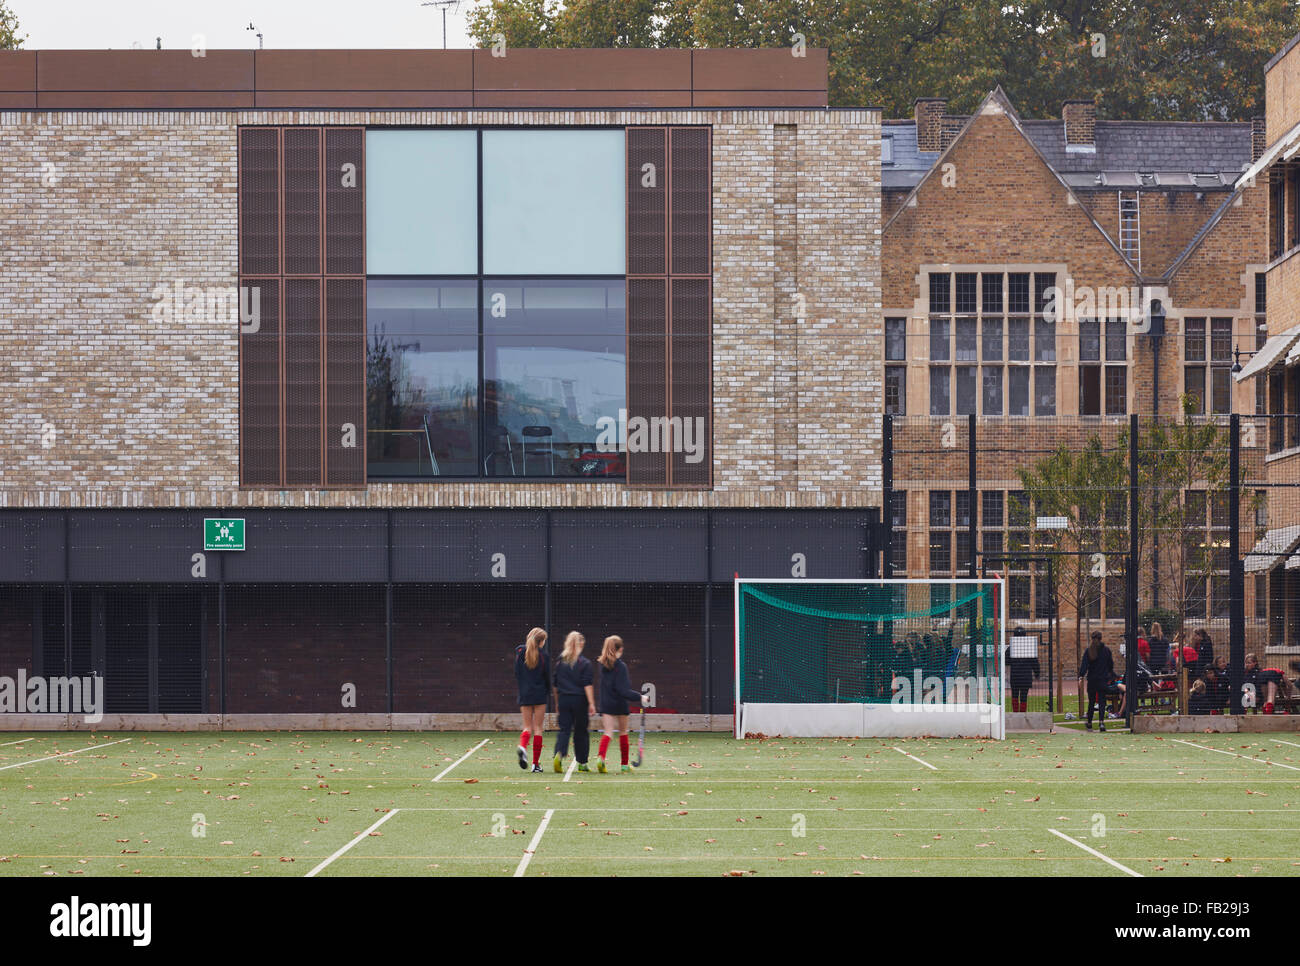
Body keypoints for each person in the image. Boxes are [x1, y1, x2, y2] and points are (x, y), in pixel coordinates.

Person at [596, 635, 647, 774]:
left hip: (606, 704)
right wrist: (640, 697)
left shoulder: (602, 665)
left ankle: (601, 757)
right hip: (620, 704)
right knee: (623, 732)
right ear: (619, 649)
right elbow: (623, 691)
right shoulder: (622, 666)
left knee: (608, 732)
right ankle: (624, 765)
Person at [552, 631, 596, 773]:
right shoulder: (585, 663)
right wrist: (591, 703)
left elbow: (555, 685)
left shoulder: (560, 661)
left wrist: (558, 702)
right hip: (580, 700)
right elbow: (587, 684)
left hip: (564, 698)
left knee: (564, 729)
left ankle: (559, 753)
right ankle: (582, 763)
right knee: (581, 732)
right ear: (581, 644)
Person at [514, 627, 551, 773]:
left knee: (527, 727)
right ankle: (535, 764)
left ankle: (523, 746)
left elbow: (516, 672)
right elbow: (547, 676)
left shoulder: (519, 652)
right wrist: (548, 691)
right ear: (541, 641)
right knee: (538, 729)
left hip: (525, 693)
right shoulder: (544, 655)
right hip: (540, 694)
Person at [1078, 631, 1115, 732]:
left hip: (1092, 680)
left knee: (1091, 701)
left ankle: (1089, 722)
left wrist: (1081, 676)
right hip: (1102, 679)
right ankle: (1101, 722)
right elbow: (1111, 664)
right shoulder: (1106, 650)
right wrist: (1109, 673)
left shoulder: (1089, 651)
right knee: (1102, 701)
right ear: (1101, 638)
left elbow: (1084, 665)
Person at [1005, 626, 1040, 714]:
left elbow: (1006, 661)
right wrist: (1037, 673)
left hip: (1015, 676)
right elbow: (1035, 662)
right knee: (1024, 696)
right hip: (1026, 676)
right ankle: (1023, 714)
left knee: (1015, 695)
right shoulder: (1029, 648)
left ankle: (1016, 714)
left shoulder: (1011, 648)